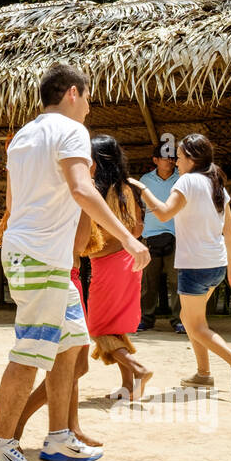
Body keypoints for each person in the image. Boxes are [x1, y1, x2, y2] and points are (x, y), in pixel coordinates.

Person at [0, 64, 150, 461]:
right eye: (88, 98)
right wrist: (128, 238)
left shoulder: (23, 136)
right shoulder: (71, 132)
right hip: (40, 257)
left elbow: (16, 203)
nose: (89, 108)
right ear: (73, 93)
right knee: (34, 347)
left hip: (34, 253)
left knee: (71, 342)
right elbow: (80, 188)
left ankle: (58, 438)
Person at [12, 135, 151, 443]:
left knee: (76, 360)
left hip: (79, 270)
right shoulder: (90, 194)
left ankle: (66, 429)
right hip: (72, 272)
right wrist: (122, 239)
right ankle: (20, 425)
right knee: (72, 359)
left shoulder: (76, 193)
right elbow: (81, 242)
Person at [129, 133, 231, 400]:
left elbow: (164, 213)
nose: (176, 162)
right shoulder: (216, 184)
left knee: (195, 324)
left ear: (192, 158)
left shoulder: (187, 181)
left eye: (180, 156)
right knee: (192, 320)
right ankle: (203, 374)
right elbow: (230, 231)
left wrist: (144, 191)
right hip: (216, 265)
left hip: (194, 266)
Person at [138, 143, 183, 334]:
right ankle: (145, 319)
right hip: (149, 237)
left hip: (177, 238)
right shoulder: (144, 181)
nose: (171, 160)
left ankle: (179, 320)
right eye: (166, 157)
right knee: (148, 283)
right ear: (155, 160)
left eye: (173, 157)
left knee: (177, 282)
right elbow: (138, 209)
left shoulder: (182, 179)